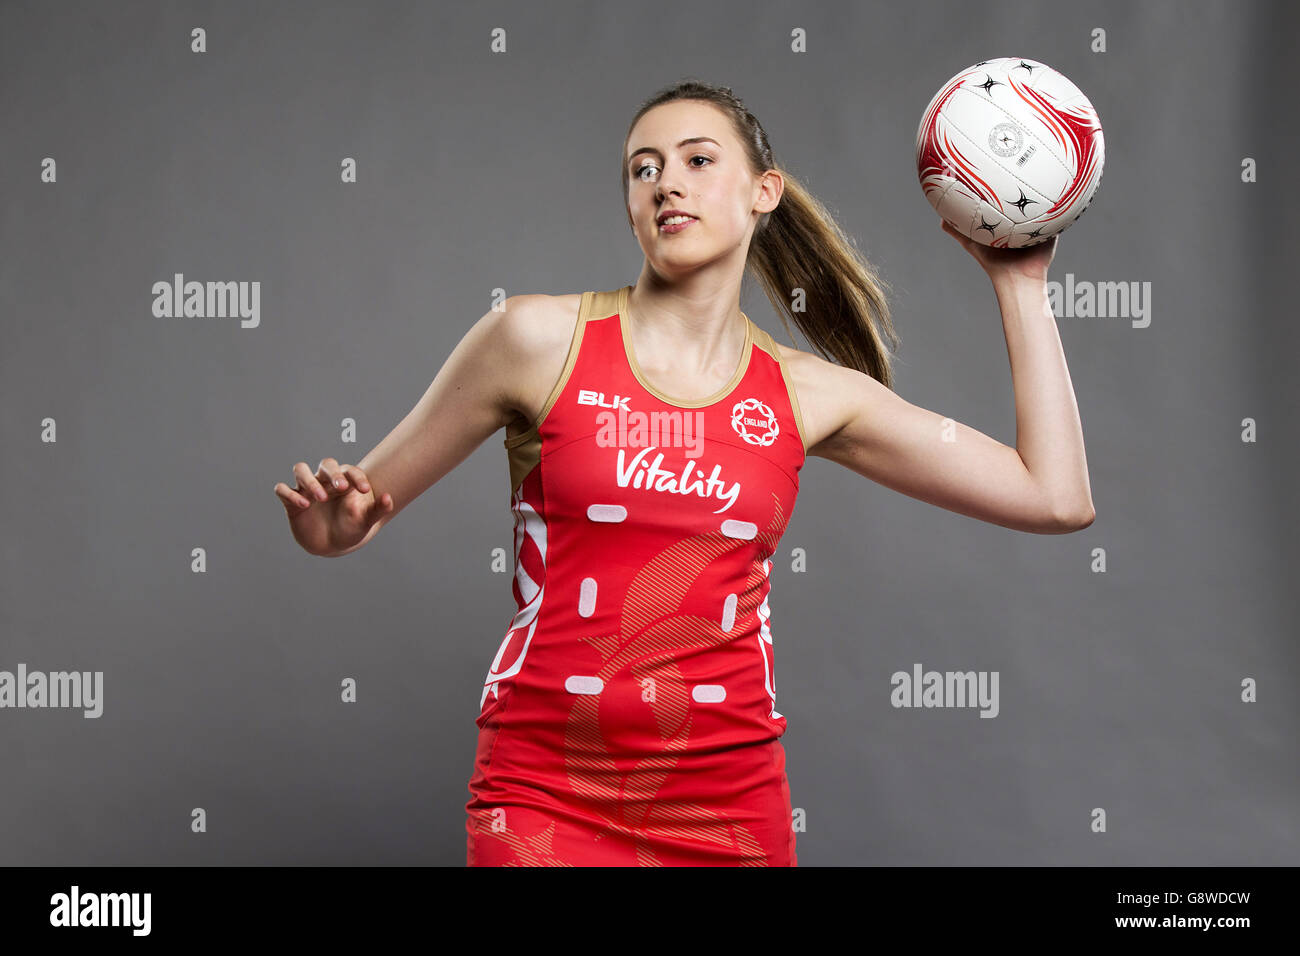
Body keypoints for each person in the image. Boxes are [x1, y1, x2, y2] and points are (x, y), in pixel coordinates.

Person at [273, 80, 1094, 866]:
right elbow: (355, 513)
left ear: (763, 191)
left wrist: (1020, 285)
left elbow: (1053, 496)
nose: (667, 183)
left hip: (727, 801)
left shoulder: (806, 394)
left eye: (699, 160)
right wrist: (332, 527)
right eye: (644, 168)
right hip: (541, 790)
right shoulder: (533, 340)